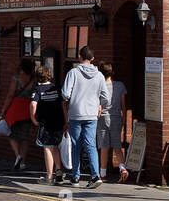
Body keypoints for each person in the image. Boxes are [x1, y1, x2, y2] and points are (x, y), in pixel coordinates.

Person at [61, 46, 110, 187]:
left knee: (76, 145)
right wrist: (99, 105)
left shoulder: (73, 73)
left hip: (76, 113)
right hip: (92, 114)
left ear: (79, 57)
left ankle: (75, 177)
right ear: (93, 58)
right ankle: (95, 176)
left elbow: (65, 94)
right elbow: (105, 97)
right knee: (91, 145)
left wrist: (72, 98)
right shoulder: (100, 75)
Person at [29, 64, 66, 184]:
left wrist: (33, 119)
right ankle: (59, 172)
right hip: (59, 121)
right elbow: (63, 105)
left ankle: (49, 176)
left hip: (46, 123)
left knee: (47, 148)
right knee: (55, 146)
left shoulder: (38, 90)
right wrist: (66, 121)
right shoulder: (57, 88)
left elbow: (33, 104)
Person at [0, 58, 38, 171]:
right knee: (24, 138)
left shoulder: (16, 79)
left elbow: (10, 96)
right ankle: (23, 163)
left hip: (15, 110)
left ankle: (18, 155)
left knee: (11, 134)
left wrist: (3, 110)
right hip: (28, 110)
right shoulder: (34, 80)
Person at [97, 63, 130, 182]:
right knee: (117, 146)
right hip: (117, 118)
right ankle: (123, 168)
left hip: (102, 118)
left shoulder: (99, 86)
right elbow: (123, 105)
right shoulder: (120, 86)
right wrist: (124, 119)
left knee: (104, 147)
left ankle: (103, 174)